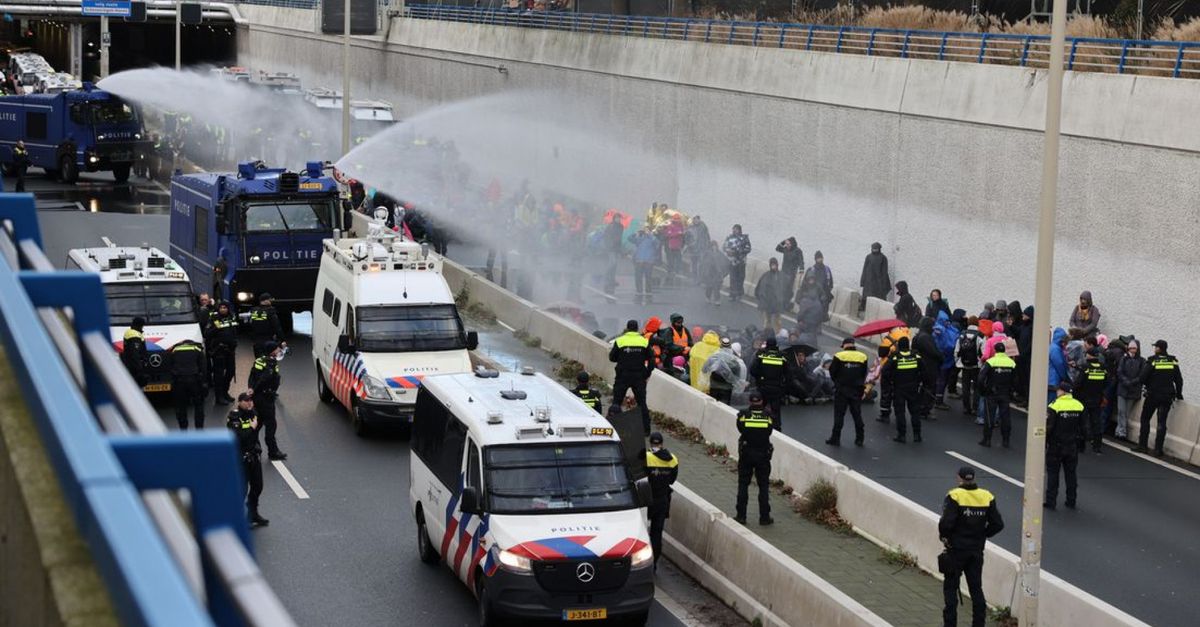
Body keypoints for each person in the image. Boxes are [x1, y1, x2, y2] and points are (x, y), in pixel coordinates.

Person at [938, 465, 1003, 627]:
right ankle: (978, 624)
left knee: (951, 588)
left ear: (959, 478)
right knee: (976, 589)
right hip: (976, 551)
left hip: (956, 551)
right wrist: (983, 535)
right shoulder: (987, 496)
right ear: (973, 478)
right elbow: (998, 524)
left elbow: (946, 523)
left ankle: (950, 624)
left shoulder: (954, 495)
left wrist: (946, 537)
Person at [228, 392, 269, 527]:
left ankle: (252, 514)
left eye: (251, 400)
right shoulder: (235, 417)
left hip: (254, 456)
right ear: (239, 402)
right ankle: (236, 518)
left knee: (258, 487)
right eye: (246, 401)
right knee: (242, 490)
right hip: (241, 458)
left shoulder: (253, 413)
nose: (249, 403)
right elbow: (238, 437)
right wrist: (252, 428)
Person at [1136, 339, 1183, 456]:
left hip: (1153, 395)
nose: (1154, 349)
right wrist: (1179, 394)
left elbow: (1142, 377)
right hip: (1167, 397)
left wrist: (1147, 385)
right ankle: (1158, 450)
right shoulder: (1173, 362)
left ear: (1159, 348)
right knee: (1161, 422)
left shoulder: (1153, 361)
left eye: (1155, 347)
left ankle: (1142, 446)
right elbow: (1179, 380)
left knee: (1145, 419)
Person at [734, 391, 773, 526]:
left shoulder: (743, 415)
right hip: (763, 454)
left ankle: (741, 516)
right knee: (763, 486)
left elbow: (740, 429)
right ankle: (764, 517)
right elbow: (769, 430)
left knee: (743, 484)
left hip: (746, 453)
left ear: (750, 401)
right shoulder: (767, 416)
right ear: (762, 401)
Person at [1045, 382, 1085, 510]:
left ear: (1062, 392)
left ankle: (1051, 502)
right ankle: (1071, 500)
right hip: (1072, 445)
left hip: (1056, 446)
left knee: (1053, 474)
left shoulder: (1054, 405)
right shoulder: (1079, 406)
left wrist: (1044, 442)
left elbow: (1049, 427)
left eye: (1058, 391)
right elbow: (1084, 427)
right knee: (1071, 474)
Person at [609, 320, 654, 433]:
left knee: (617, 402)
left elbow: (612, 358)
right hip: (639, 376)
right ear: (637, 328)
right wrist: (647, 373)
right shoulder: (644, 341)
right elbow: (651, 359)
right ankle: (646, 430)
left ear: (627, 328)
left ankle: (614, 427)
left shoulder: (620, 341)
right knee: (641, 403)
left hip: (622, 376)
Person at [248, 342, 287, 461]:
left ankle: (252, 447)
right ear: (271, 351)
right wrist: (254, 389)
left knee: (258, 423)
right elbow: (263, 379)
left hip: (258, 397)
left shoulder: (259, 360)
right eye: (276, 349)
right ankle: (273, 451)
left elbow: (252, 376)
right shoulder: (270, 363)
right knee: (271, 424)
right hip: (266, 397)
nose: (278, 351)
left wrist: (251, 389)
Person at [645, 432, 678, 568]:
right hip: (663, 500)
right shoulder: (673, 459)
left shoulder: (646, 457)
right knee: (657, 533)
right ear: (662, 444)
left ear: (651, 443)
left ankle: (641, 562)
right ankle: (654, 563)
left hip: (645, 499)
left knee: (641, 530)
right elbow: (672, 480)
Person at [826, 337, 868, 447]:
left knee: (839, 415)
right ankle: (860, 438)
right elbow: (864, 373)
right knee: (857, 414)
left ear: (844, 345)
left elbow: (832, 372)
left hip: (842, 390)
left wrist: (838, 382)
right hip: (856, 390)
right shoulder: (862, 357)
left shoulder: (839, 356)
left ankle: (835, 438)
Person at [883, 336, 922, 443]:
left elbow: (885, 371)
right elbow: (924, 370)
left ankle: (902, 435)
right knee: (915, 412)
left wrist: (890, 381)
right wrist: (920, 381)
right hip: (913, 387)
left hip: (899, 388)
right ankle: (917, 435)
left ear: (899, 346)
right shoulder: (916, 356)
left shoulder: (895, 357)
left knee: (900, 412)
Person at [977, 343, 1016, 448]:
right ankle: (1006, 441)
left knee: (989, 417)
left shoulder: (991, 362)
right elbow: (1016, 380)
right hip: (1005, 393)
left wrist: (983, 390)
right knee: (1005, 417)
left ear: (995, 351)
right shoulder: (1011, 363)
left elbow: (981, 378)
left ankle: (987, 440)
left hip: (991, 393)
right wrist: (1012, 391)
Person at [1072, 346, 1108, 453]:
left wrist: (1074, 392)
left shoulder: (1085, 367)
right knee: (1096, 423)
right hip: (1097, 399)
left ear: (1089, 355)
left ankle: (1080, 446)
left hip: (1084, 399)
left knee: (1082, 422)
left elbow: (1078, 383)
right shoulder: (1103, 368)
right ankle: (1097, 447)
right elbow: (1106, 382)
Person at [167, 339, 208, 430]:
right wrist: (204, 383)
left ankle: (183, 430)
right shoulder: (197, 349)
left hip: (179, 382)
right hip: (194, 381)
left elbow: (169, 366)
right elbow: (204, 368)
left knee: (181, 407)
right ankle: (199, 429)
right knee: (198, 405)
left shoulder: (174, 350)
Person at [749, 336, 787, 429]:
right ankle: (777, 428)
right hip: (777, 388)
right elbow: (788, 374)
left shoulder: (761, 355)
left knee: (760, 408)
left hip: (763, 386)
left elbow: (753, 370)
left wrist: (759, 379)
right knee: (776, 410)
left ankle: (759, 426)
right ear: (776, 345)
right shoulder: (782, 357)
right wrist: (783, 386)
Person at [206, 302, 238, 404]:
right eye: (221, 308)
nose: (223, 309)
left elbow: (234, 331)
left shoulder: (231, 317)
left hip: (230, 350)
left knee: (230, 372)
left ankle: (225, 392)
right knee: (218, 375)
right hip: (218, 350)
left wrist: (234, 342)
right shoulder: (214, 319)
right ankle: (219, 397)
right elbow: (207, 333)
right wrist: (216, 328)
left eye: (225, 308)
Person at [1115, 340, 1145, 440]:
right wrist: (1126, 381)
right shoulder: (1123, 359)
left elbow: (1141, 375)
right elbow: (1119, 371)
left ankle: (1120, 430)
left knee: (1126, 412)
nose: (1133, 350)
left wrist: (1132, 382)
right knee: (1121, 410)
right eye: (1131, 348)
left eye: (1134, 348)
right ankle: (1121, 431)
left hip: (1133, 389)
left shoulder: (1141, 360)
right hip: (1123, 388)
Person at [703, 337, 746, 404]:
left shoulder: (714, 356)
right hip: (727, 389)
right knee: (724, 408)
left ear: (720, 346)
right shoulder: (734, 360)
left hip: (714, 387)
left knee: (713, 406)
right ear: (730, 347)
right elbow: (737, 376)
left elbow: (704, 370)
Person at [955, 317, 983, 417]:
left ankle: (966, 408)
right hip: (976, 366)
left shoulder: (962, 335)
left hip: (964, 365)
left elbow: (957, 351)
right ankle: (975, 408)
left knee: (965, 387)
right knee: (976, 388)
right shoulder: (980, 336)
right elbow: (982, 352)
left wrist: (958, 362)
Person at [753, 258, 787, 332]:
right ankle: (767, 334)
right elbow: (759, 288)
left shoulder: (781, 276)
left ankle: (777, 335)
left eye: (774, 265)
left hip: (777, 303)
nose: (773, 266)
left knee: (777, 322)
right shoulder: (766, 275)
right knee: (767, 321)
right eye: (772, 265)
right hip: (768, 303)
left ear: (777, 265)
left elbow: (786, 289)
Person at [249, 293, 285, 357]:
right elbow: (277, 327)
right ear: (264, 301)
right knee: (269, 361)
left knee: (259, 361)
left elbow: (250, 325)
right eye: (269, 300)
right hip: (268, 341)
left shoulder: (253, 311)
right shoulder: (271, 311)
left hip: (256, 341)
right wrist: (282, 340)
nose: (271, 301)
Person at [799, 251, 833, 318]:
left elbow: (831, 283)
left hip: (823, 297)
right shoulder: (811, 270)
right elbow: (804, 284)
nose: (820, 259)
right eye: (818, 258)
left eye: (821, 258)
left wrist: (827, 294)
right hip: (812, 297)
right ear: (815, 259)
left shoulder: (827, 269)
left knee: (820, 318)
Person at [722, 224, 752, 301]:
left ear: (739, 230)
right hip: (732, 262)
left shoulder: (744, 239)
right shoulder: (729, 238)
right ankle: (732, 294)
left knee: (740, 278)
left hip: (741, 263)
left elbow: (748, 249)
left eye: (736, 229)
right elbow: (724, 247)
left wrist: (737, 252)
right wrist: (728, 251)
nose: (734, 230)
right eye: (733, 229)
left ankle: (739, 293)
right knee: (732, 278)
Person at [858, 242, 890, 313]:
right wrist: (862, 281)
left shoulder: (883, 258)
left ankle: (880, 310)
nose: (875, 250)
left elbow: (885, 272)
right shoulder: (868, 257)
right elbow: (865, 269)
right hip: (869, 280)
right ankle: (863, 307)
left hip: (879, 281)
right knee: (866, 295)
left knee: (879, 297)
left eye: (876, 249)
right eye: (874, 249)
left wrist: (883, 283)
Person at [120, 316, 150, 387]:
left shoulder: (131, 332)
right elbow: (135, 354)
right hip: (134, 369)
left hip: (131, 366)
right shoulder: (134, 335)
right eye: (142, 325)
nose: (143, 327)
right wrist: (139, 369)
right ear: (139, 325)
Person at [774, 237, 804, 305]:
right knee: (780, 287)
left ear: (792, 244)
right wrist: (783, 242)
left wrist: (801, 269)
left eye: (788, 244)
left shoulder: (797, 251)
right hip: (784, 271)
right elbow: (777, 248)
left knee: (788, 288)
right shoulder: (785, 249)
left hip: (791, 273)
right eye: (786, 244)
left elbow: (801, 261)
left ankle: (786, 303)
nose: (787, 245)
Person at [698, 239, 729, 305]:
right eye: (713, 246)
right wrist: (703, 273)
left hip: (717, 273)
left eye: (715, 246)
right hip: (709, 273)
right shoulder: (707, 253)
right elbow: (703, 263)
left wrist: (723, 272)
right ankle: (708, 297)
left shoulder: (720, 254)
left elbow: (726, 263)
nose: (714, 247)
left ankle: (717, 299)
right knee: (709, 287)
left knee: (717, 287)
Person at [685, 215, 710, 280]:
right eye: (694, 220)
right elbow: (686, 237)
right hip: (693, 249)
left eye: (696, 219)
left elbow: (707, 237)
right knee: (693, 263)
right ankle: (694, 276)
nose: (695, 221)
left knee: (700, 264)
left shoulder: (703, 227)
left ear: (699, 220)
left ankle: (700, 277)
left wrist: (707, 246)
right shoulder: (690, 227)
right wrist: (688, 244)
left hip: (701, 248)